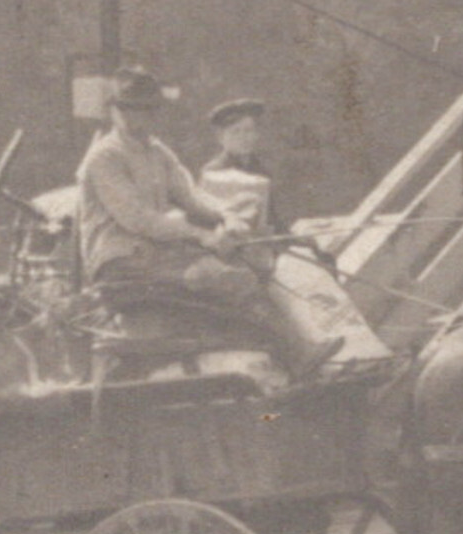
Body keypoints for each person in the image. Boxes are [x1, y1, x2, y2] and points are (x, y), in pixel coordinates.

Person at [76, 67, 340, 377]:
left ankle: (281, 356)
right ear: (114, 111)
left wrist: (227, 216)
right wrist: (203, 236)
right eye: (129, 109)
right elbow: (140, 220)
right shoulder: (104, 158)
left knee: (252, 262)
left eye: (146, 109)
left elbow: (192, 196)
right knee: (221, 275)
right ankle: (293, 355)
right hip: (121, 262)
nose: (138, 117)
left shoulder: (157, 152)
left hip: (155, 254)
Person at [200, 97, 280, 234]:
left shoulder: (261, 170)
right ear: (221, 137)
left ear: (256, 135)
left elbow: (270, 218)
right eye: (235, 132)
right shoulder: (214, 172)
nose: (244, 138)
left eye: (249, 131)